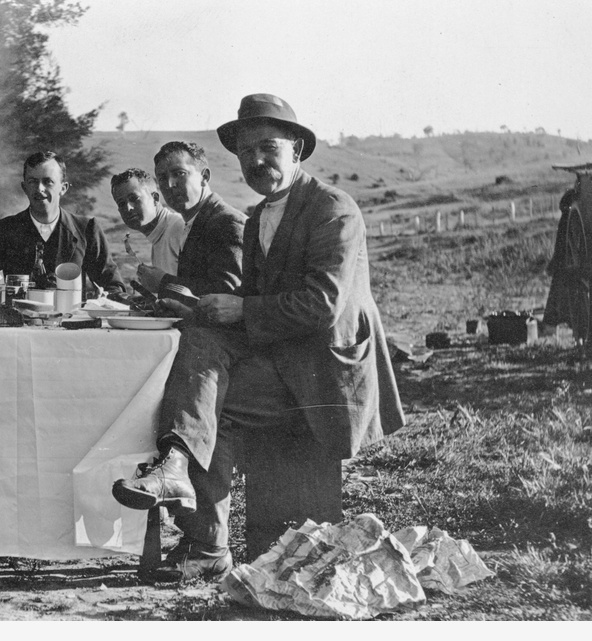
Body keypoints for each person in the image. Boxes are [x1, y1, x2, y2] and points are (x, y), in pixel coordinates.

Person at [112, 94, 405, 581]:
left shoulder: (333, 208)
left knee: (210, 403)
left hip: (327, 372)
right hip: (284, 358)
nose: (255, 160)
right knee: (202, 357)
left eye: (267, 147)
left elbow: (321, 305)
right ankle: (189, 495)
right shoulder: (260, 216)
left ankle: (203, 531)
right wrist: (196, 305)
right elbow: (250, 301)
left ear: (297, 150)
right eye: (245, 153)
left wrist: (240, 308)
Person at [0, 151, 125, 296]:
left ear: (63, 188)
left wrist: (103, 298)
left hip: (71, 331)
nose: (40, 189)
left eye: (48, 182)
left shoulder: (86, 230)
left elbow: (114, 286)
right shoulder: (4, 231)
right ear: (24, 187)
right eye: (33, 182)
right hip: (17, 331)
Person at [133, 141, 245, 297]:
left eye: (179, 173)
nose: (170, 184)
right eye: (162, 178)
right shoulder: (194, 222)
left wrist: (164, 283)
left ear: (204, 177)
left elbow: (226, 295)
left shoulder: (225, 222)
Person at [110, 168, 184, 275]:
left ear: (155, 198)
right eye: (121, 204)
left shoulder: (180, 229)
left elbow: (206, 286)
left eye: (134, 198)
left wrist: (160, 284)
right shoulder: (159, 237)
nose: (128, 208)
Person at [543, 187, 579, 328]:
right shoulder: (566, 219)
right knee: (562, 294)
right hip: (566, 263)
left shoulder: (569, 217)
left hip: (569, 263)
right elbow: (561, 244)